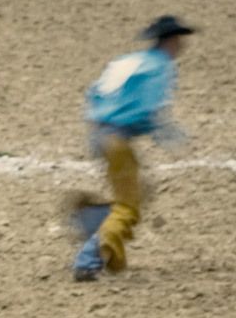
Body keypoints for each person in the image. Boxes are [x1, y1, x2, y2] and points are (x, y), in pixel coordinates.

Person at [71, 14, 194, 282]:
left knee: (137, 192)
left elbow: (94, 92)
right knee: (128, 207)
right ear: (172, 40)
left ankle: (93, 218)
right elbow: (149, 109)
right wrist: (166, 134)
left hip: (98, 132)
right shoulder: (161, 67)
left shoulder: (129, 61)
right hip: (117, 138)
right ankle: (88, 260)